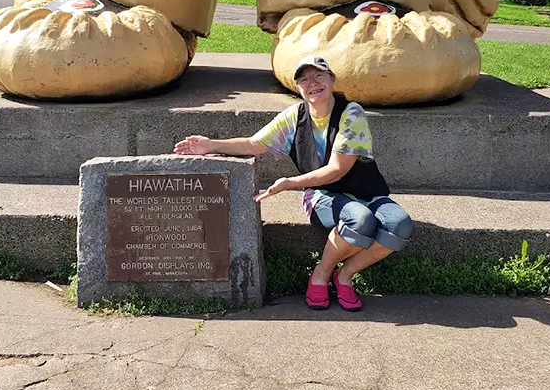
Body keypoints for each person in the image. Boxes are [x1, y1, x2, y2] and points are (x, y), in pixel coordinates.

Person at [173, 56, 413, 311]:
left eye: (319, 76)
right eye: (304, 79)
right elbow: (255, 144)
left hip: (367, 192)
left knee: (399, 224)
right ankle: (320, 274)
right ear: (297, 87)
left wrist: (289, 183)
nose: (313, 83)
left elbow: (337, 169)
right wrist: (211, 145)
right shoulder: (294, 116)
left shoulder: (351, 113)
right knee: (360, 219)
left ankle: (344, 275)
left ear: (332, 80)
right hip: (323, 196)